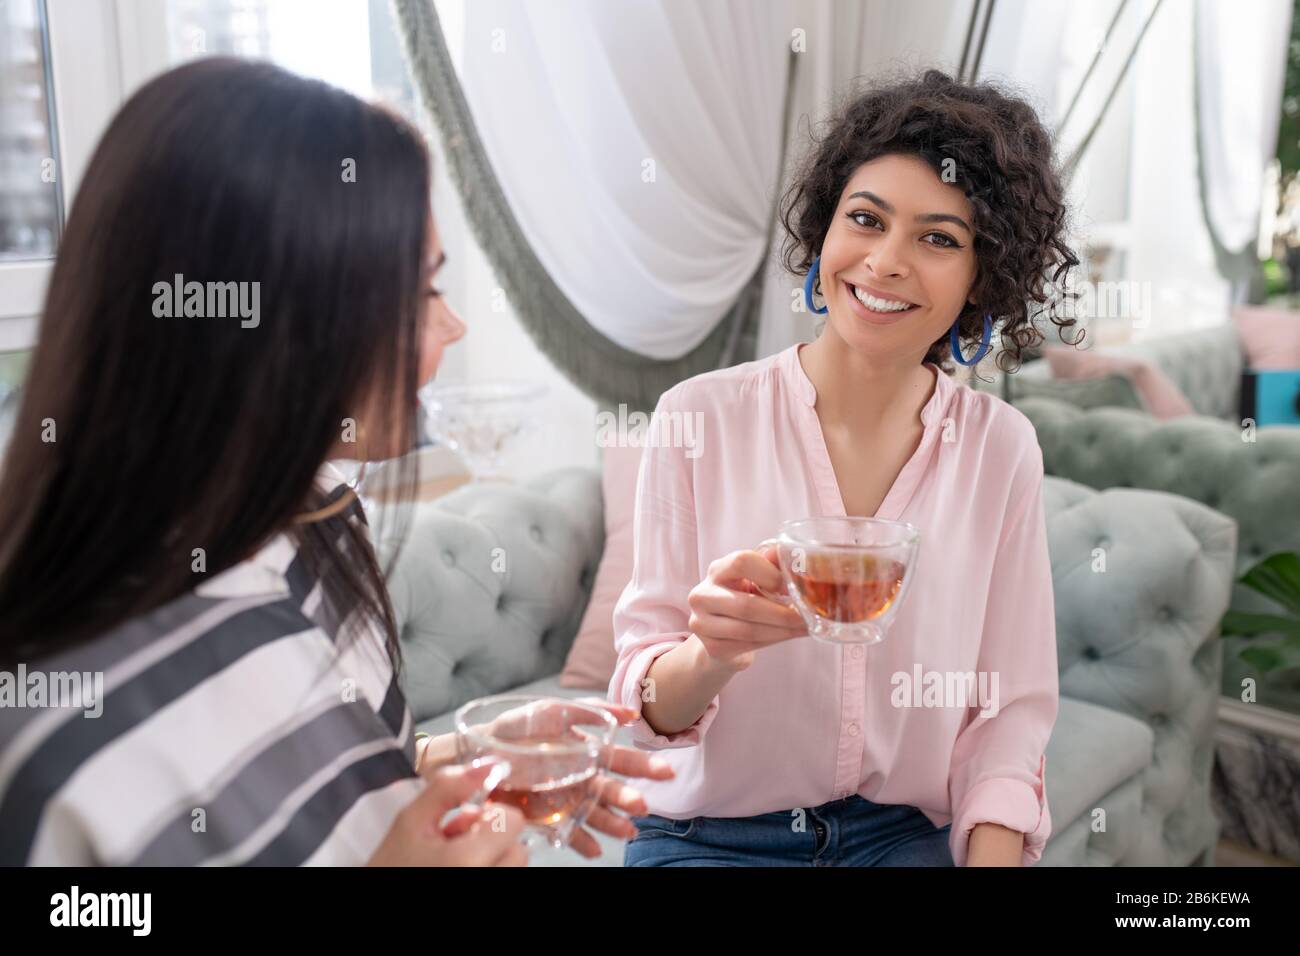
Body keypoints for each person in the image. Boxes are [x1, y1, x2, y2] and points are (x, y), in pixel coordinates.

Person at [0, 57, 670, 866]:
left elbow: (337, 790)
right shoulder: (51, 744)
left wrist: (481, 756)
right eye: (423, 290)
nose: (452, 328)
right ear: (282, 324)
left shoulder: (324, 523)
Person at [609, 69, 1074, 867]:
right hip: (708, 838)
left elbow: (1009, 714)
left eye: (938, 238)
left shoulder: (1000, 448)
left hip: (902, 837)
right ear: (826, 233)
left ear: (981, 279)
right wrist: (711, 652)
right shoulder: (698, 417)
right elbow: (640, 709)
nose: (886, 262)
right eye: (865, 219)